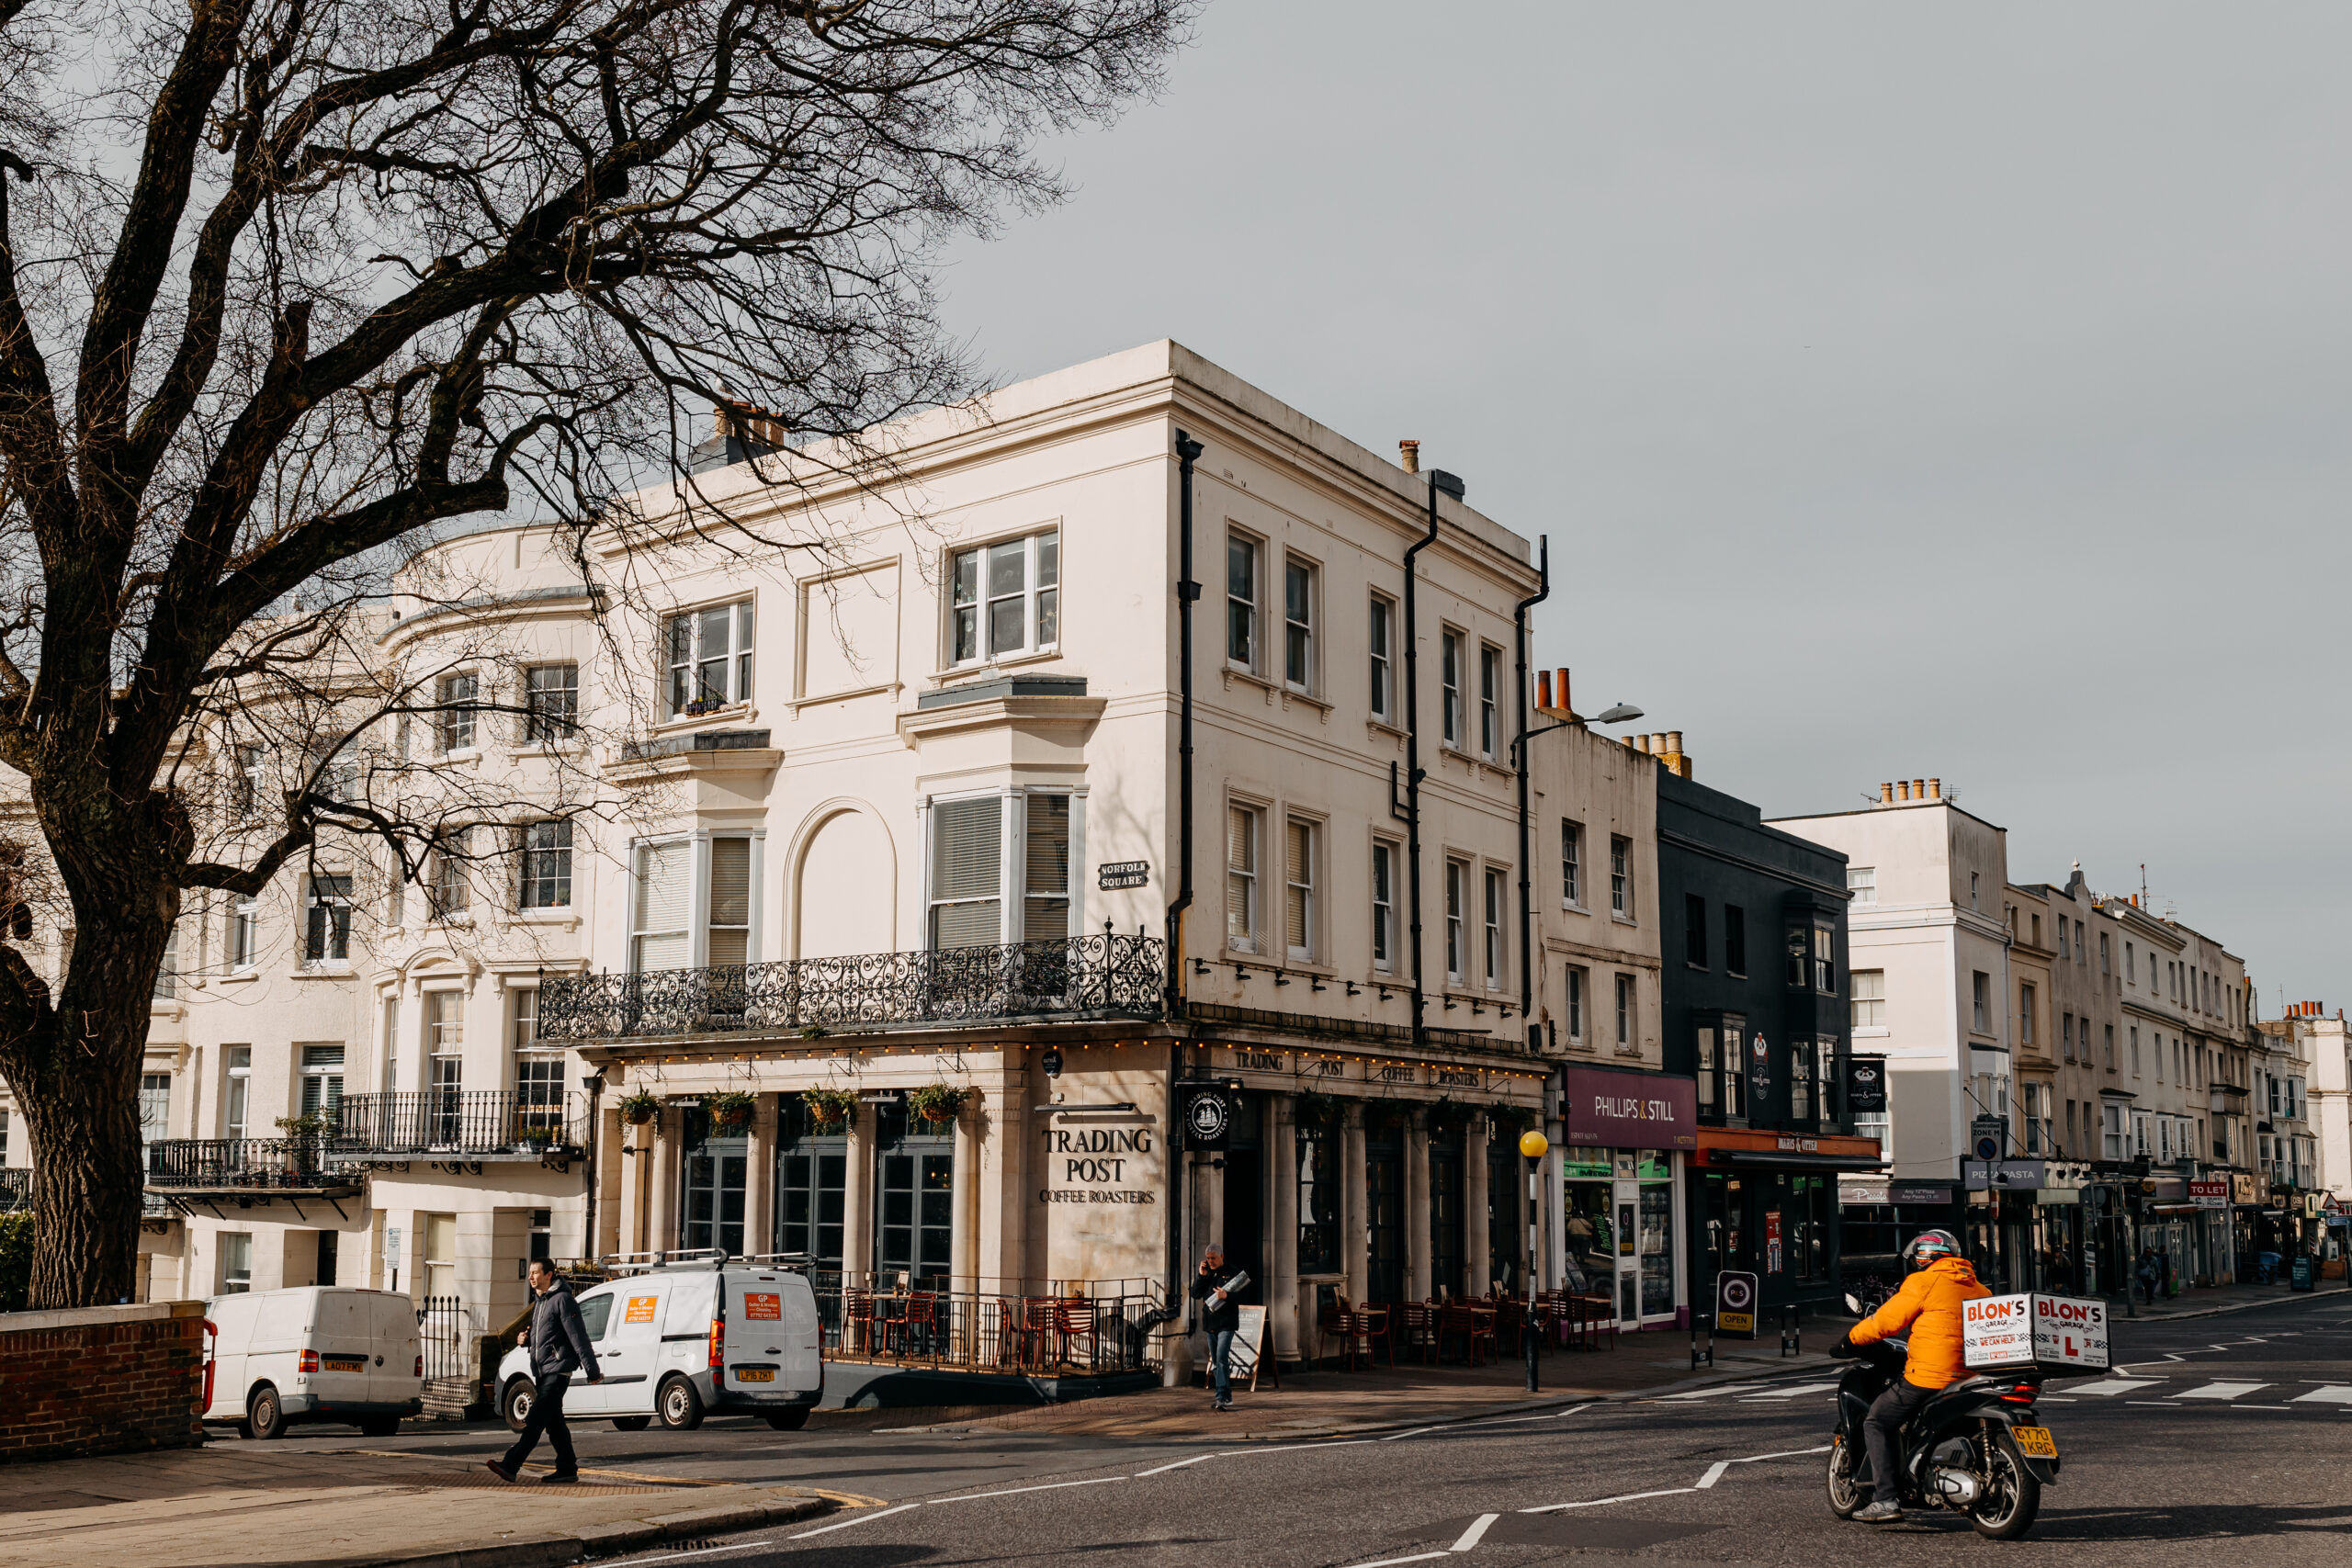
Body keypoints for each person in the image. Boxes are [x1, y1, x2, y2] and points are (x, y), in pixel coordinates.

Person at [1836, 1229, 1988, 1525]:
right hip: (1970, 1377)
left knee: (1878, 1420)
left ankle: (1885, 1499)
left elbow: (1886, 1320)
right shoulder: (1980, 1289)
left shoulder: (1922, 1281)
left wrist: (1850, 1340)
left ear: (1925, 1256)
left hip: (1932, 1375)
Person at [487, 1258, 602, 1483]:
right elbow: (546, 1335)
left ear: (549, 1275)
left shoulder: (563, 1300)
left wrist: (592, 1370)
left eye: (535, 1273)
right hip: (542, 1370)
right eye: (530, 1273)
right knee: (555, 1425)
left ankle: (512, 1464)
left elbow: (578, 1337)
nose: (530, 1277)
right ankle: (567, 1468)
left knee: (536, 1420)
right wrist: (526, 1339)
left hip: (557, 1372)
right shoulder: (541, 1301)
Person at [1188, 1244, 1244, 1413]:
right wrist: (1201, 1276)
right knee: (1215, 1362)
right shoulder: (1208, 1274)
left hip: (1226, 1322)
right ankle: (1226, 1396)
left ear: (1221, 1256)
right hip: (1210, 1323)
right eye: (1208, 1258)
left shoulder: (1233, 1273)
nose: (1211, 1261)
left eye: (1213, 1258)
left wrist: (1227, 1296)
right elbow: (1195, 1294)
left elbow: (1244, 1295)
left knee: (1221, 1358)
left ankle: (1221, 1396)